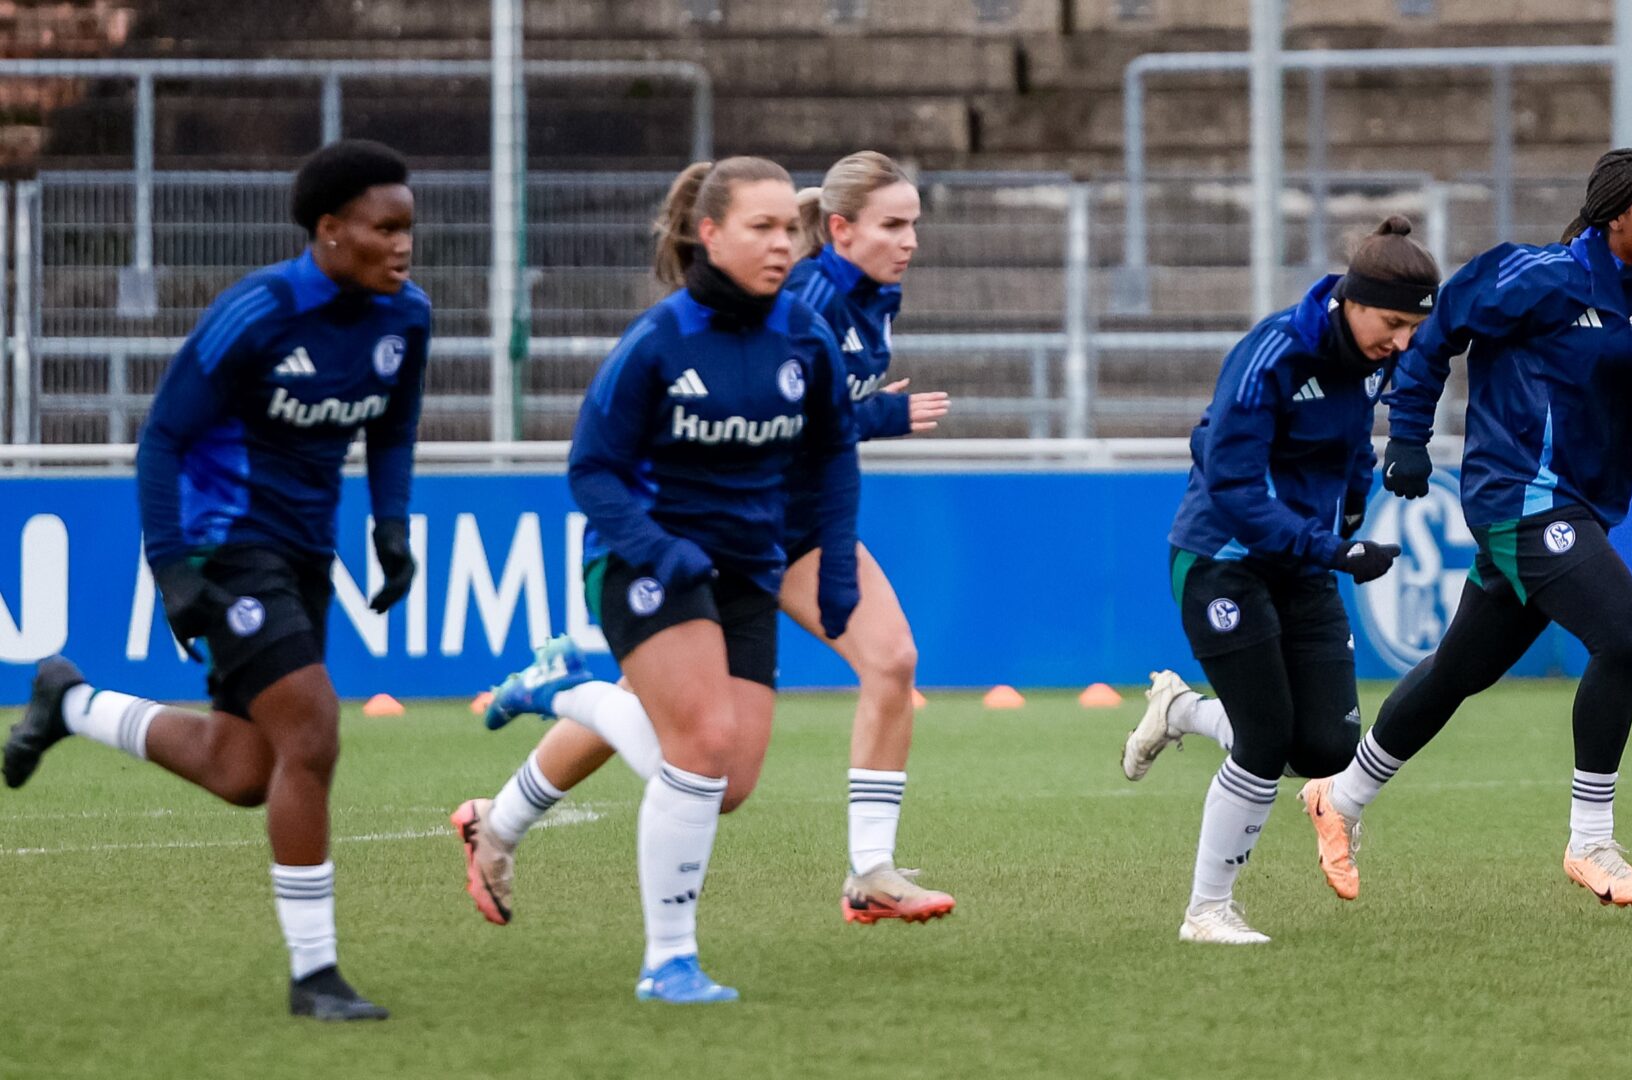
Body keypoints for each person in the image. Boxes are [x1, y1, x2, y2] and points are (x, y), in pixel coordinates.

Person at [452, 151, 955, 928]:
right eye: (894, 225)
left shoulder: (875, 298)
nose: (911, 240)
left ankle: (870, 872)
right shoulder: (802, 296)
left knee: (891, 660)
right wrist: (879, 417)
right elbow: (777, 408)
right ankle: (516, 797)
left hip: (795, 528)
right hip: (730, 526)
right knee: (671, 733)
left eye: (914, 224)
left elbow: (816, 428)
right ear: (844, 231)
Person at [2, 140, 429, 1020]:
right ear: (330, 231)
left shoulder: (406, 318)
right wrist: (171, 569)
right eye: (385, 229)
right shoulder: (257, 313)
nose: (403, 246)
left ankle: (70, 702)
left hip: (308, 550)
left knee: (244, 771)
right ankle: (315, 977)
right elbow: (161, 437)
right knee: (310, 726)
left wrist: (391, 526)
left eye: (409, 229)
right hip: (229, 545)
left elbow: (390, 429)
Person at [1298, 148, 1632, 907]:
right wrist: (1406, 433)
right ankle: (1591, 842)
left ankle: (1342, 797)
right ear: (1615, 214)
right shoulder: (1538, 277)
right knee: (1623, 635)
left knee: (1462, 670)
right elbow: (1439, 331)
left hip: (1581, 507)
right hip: (1516, 495)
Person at [1126, 216, 1439, 944]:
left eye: (1412, 330)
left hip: (1301, 562)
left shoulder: (1374, 358)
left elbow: (1356, 439)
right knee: (1265, 739)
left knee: (1327, 750)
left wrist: (1356, 505)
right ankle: (1207, 911)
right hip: (1220, 559)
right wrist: (1330, 552)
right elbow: (1232, 484)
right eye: (1391, 323)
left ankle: (1180, 712)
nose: (1401, 343)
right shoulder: (1273, 354)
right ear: (1351, 301)